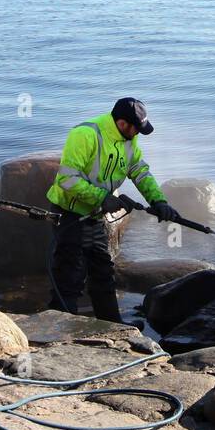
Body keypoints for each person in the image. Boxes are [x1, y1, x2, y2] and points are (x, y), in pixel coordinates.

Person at [45, 97, 181, 321]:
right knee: (69, 275)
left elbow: (139, 171)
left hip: (95, 214)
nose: (138, 134)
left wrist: (159, 201)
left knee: (103, 273)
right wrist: (102, 198)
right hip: (69, 214)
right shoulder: (85, 135)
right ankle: (60, 330)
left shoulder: (129, 140)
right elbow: (67, 179)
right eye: (137, 129)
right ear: (122, 123)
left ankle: (112, 326)